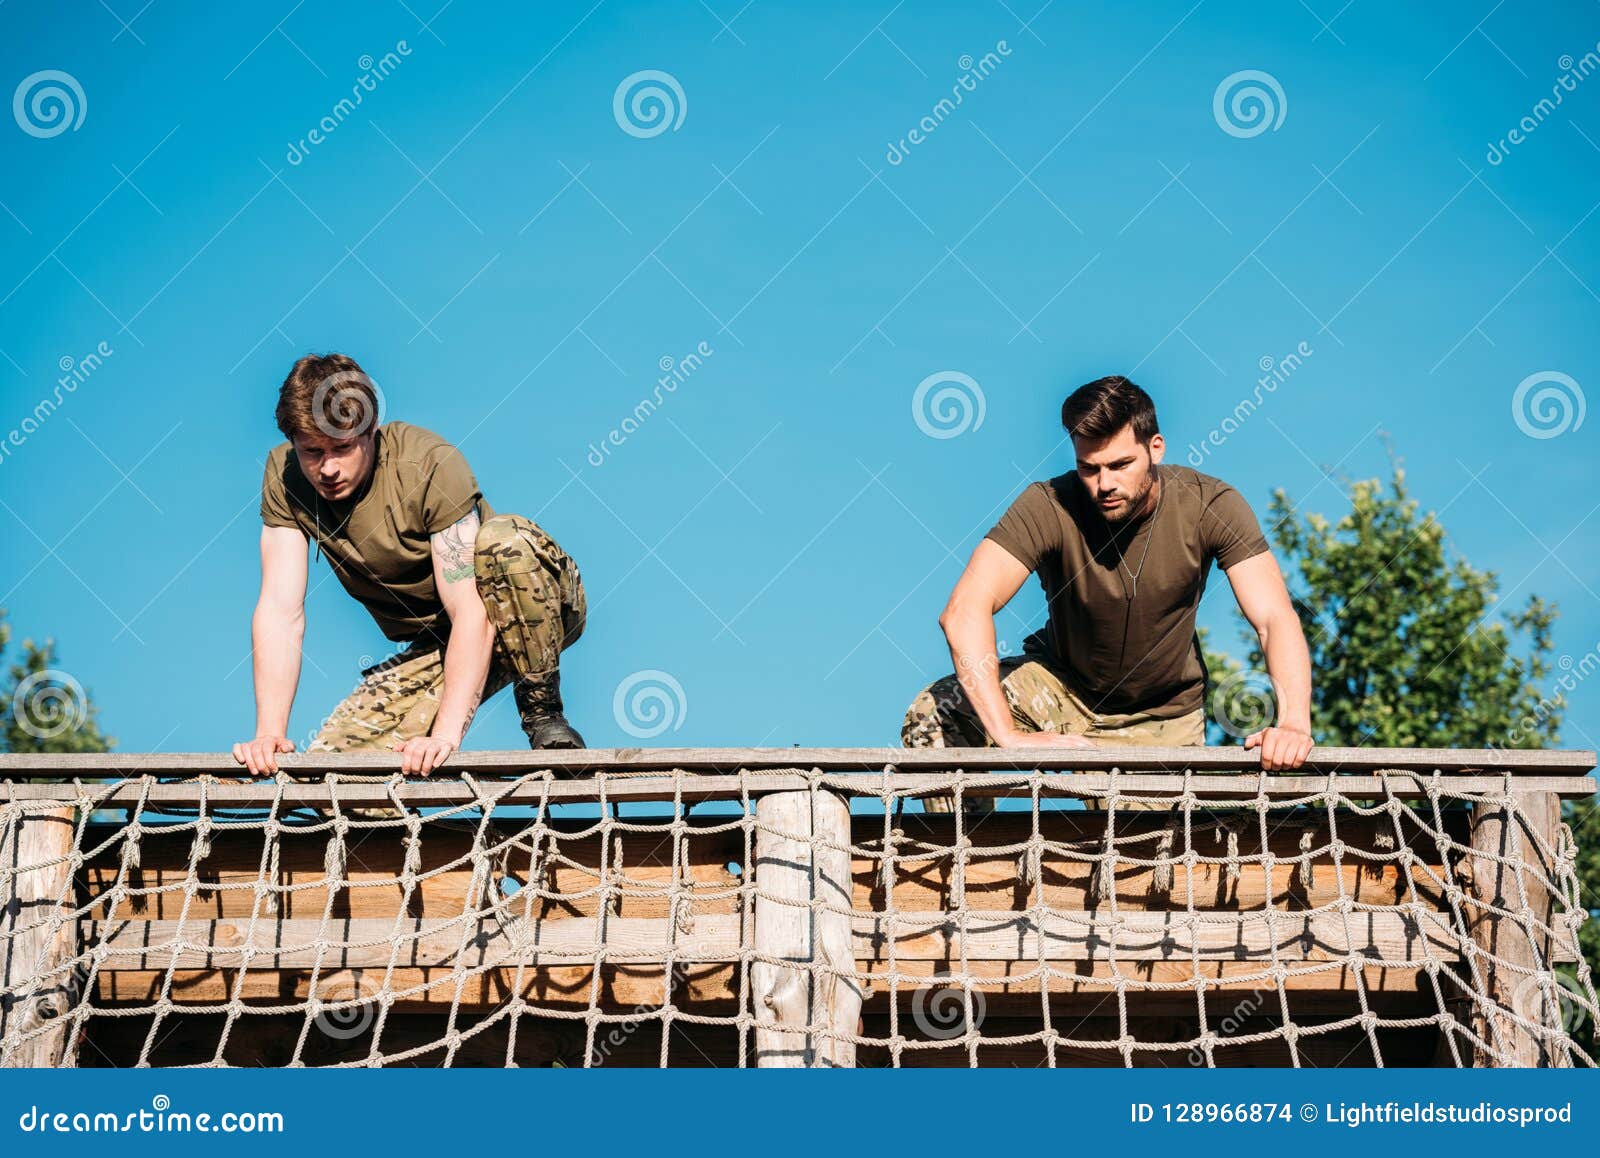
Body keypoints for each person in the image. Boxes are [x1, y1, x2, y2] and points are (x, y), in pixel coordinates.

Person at [901, 375, 1314, 806]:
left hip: (1162, 716)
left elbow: (1273, 618)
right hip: (1064, 689)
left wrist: (1294, 724)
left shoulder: (1210, 505)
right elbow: (964, 610)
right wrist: (1007, 735)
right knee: (937, 714)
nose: (1104, 484)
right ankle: (967, 861)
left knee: (1148, 863)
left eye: (1119, 466)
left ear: (1156, 448)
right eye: (1089, 468)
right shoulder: (1048, 505)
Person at [232, 352, 586, 777]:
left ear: (370, 433)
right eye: (312, 452)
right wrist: (269, 733)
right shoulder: (285, 478)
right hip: (437, 643)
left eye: (342, 448)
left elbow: (470, 608)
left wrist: (444, 737)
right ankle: (456, 837)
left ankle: (543, 713)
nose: (327, 468)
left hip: (525, 602)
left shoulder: (428, 463)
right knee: (336, 774)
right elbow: (280, 610)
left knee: (503, 540)